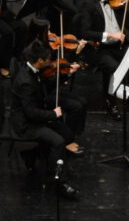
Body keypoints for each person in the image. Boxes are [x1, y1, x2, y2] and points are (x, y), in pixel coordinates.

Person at [12, 44, 83, 200]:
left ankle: (44, 158)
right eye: (48, 60)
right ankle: (59, 183)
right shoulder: (25, 81)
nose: (51, 63)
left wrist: (66, 74)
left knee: (68, 134)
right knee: (58, 141)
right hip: (26, 124)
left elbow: (45, 87)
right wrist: (52, 114)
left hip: (37, 116)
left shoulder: (34, 70)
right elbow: (30, 113)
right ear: (39, 60)